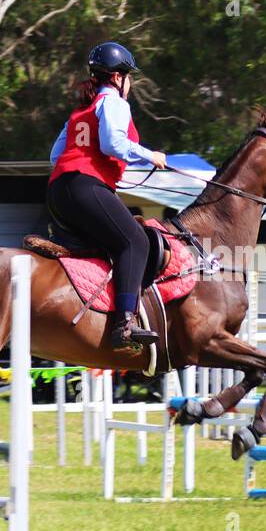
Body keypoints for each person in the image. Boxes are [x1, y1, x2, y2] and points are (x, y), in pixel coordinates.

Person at [47, 41, 168, 351]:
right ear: (117, 78)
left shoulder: (80, 111)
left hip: (59, 190)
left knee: (107, 244)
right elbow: (112, 144)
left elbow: (55, 155)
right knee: (136, 241)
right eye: (129, 77)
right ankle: (124, 323)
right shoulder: (114, 103)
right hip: (86, 187)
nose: (130, 83)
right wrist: (149, 156)